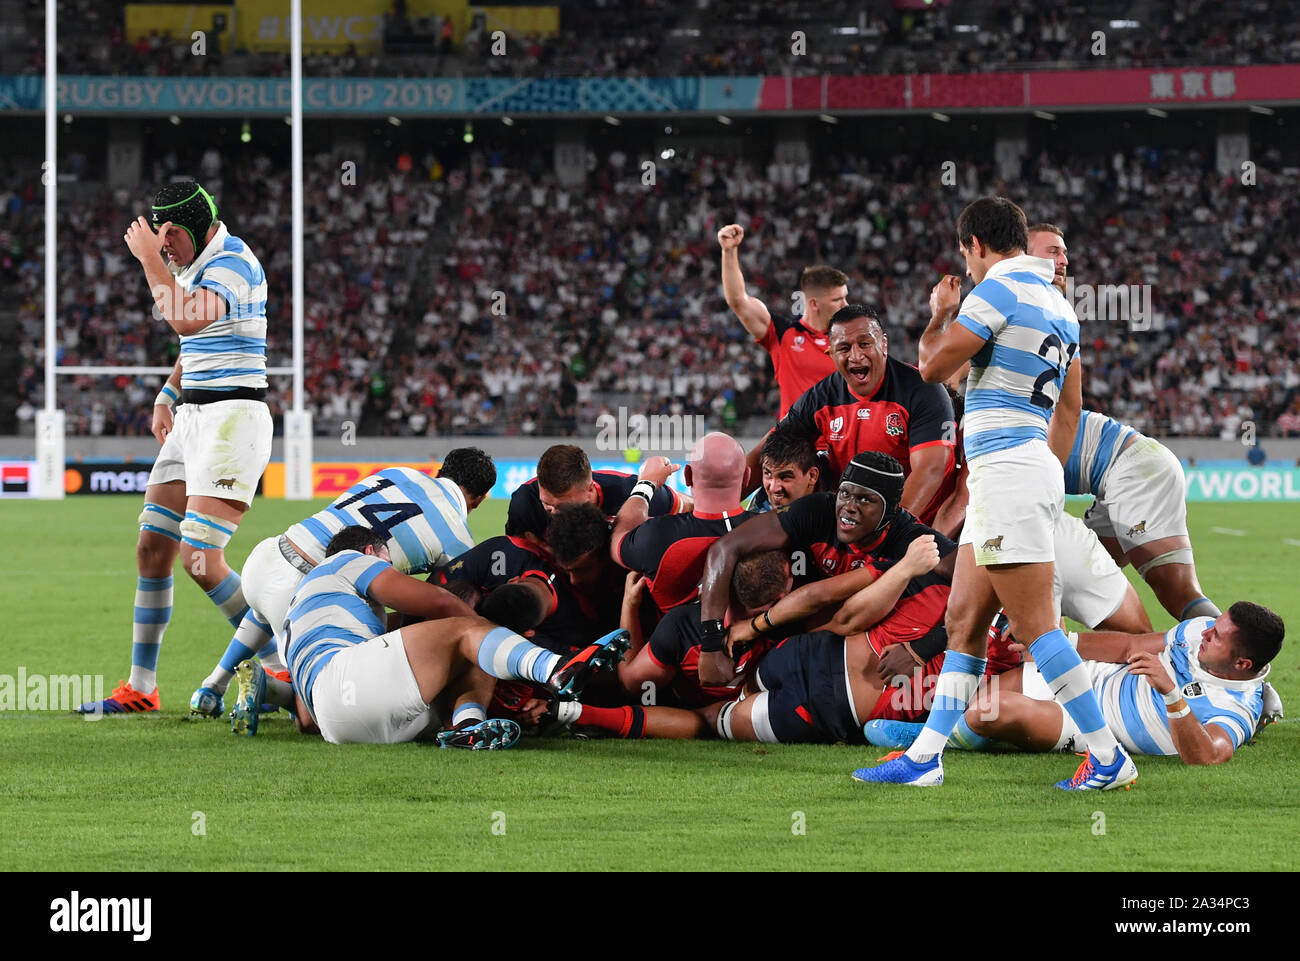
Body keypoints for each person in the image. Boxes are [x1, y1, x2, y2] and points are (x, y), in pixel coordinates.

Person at [854, 195, 1135, 791]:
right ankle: (927, 757)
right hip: (1014, 471)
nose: (968, 263)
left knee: (1037, 629)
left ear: (976, 246)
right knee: (964, 623)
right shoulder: (1059, 307)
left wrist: (940, 314)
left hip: (1007, 472)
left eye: (966, 254)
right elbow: (1071, 406)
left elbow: (930, 368)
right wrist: (1047, 474)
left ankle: (1109, 756)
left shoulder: (996, 292)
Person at [79, 180, 273, 714]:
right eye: (158, 235)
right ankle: (142, 687)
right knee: (152, 549)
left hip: (234, 418)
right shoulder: (191, 263)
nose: (164, 244)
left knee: (201, 560)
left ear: (196, 228)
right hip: (193, 417)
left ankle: (282, 664)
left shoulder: (234, 260)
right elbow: (196, 340)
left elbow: (186, 317)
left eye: (171, 234)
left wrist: (147, 260)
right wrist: (167, 394)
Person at [188, 449, 495, 720]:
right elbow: (434, 605)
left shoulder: (397, 473)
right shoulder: (458, 540)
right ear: (480, 499)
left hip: (269, 555)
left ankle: (211, 687)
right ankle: (268, 689)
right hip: (306, 587)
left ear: (439, 472)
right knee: (330, 705)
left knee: (261, 611)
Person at [248, 527, 628, 746]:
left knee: (468, 650)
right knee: (468, 631)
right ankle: (556, 669)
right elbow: (441, 604)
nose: (391, 569)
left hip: (337, 723)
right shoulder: (348, 561)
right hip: (350, 682)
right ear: (369, 552)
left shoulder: (306, 614)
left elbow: (306, 719)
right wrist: (489, 637)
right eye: (387, 560)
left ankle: (466, 728)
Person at [1027, 223, 1218, 623]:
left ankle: (1239, 677)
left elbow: (1066, 410)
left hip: (1133, 470)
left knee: (1176, 591)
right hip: (1116, 476)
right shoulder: (1037, 314)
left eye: (1065, 253)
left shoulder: (1044, 314)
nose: (1063, 261)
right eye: (1052, 252)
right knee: (1060, 577)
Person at [701, 451, 956, 688]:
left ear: (890, 511)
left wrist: (924, 647)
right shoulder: (817, 510)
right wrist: (711, 643)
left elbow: (982, 592)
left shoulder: (913, 539)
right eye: (845, 494)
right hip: (794, 624)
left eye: (865, 499)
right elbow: (724, 549)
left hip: (861, 645)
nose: (849, 506)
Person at [949, 603, 1284, 766]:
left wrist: (1170, 693)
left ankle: (919, 740)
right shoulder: (1200, 630)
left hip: (1095, 726)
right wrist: (1066, 642)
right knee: (964, 699)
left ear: (1243, 664)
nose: (1207, 632)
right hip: (1095, 676)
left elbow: (1207, 756)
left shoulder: (1235, 708)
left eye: (1217, 637)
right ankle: (930, 731)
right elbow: (1128, 647)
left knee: (989, 713)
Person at [759, 305, 956, 526]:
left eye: (865, 344)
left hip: (919, 528)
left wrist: (885, 531)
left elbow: (929, 472)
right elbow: (773, 443)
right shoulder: (820, 398)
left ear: (883, 344)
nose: (856, 356)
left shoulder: (923, 391)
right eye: (844, 348)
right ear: (830, 354)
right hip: (852, 525)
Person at [610, 434, 755, 612]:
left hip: (675, 637)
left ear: (687, 476)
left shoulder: (657, 535)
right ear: (747, 476)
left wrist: (645, 484)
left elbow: (617, 539)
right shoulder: (772, 530)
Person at [718, 222, 846, 419]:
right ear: (814, 304)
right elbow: (738, 301)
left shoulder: (850, 340)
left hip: (841, 445)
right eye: (837, 299)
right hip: (795, 447)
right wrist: (729, 251)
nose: (845, 305)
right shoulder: (784, 335)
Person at [504, 444, 688, 550]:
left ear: (590, 491)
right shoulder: (526, 502)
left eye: (561, 507)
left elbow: (690, 507)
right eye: (546, 504)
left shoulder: (633, 494)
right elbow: (518, 557)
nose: (553, 512)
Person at [752, 422, 821, 511]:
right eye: (768, 474)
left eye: (785, 477)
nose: (773, 488)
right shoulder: (761, 501)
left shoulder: (837, 500)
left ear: (812, 476)